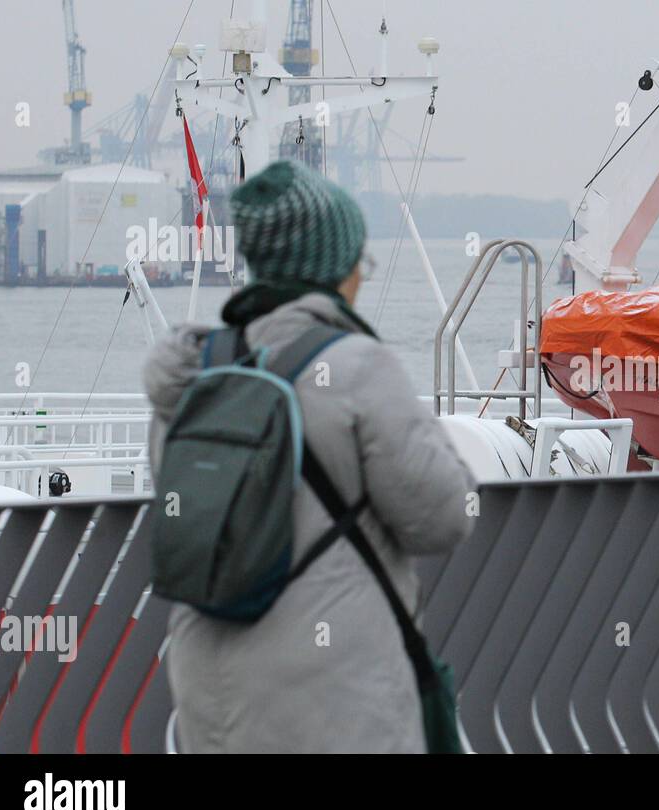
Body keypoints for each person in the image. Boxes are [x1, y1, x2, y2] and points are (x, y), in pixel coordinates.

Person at [143, 160, 476, 752]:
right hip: (333, 690)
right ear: (334, 269)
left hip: (205, 680)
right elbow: (442, 516)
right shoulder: (355, 366)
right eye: (358, 263)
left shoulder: (195, 374)